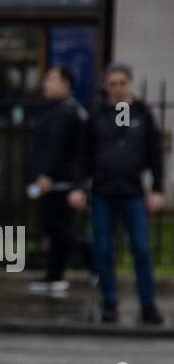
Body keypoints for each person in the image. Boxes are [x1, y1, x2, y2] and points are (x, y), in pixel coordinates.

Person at [68, 62, 166, 325]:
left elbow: (155, 154)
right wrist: (79, 186)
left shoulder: (142, 113)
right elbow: (84, 154)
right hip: (103, 190)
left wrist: (157, 188)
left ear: (130, 83)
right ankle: (109, 301)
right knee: (104, 249)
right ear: (106, 86)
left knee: (142, 249)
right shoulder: (97, 114)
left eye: (122, 83)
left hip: (132, 190)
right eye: (113, 84)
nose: (118, 89)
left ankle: (148, 304)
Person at [28, 65, 87, 297]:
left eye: (51, 80)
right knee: (55, 228)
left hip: (59, 181)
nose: (46, 84)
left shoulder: (65, 113)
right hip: (60, 179)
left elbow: (56, 147)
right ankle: (55, 273)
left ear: (66, 85)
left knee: (60, 229)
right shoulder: (62, 110)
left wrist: (46, 174)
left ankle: (65, 272)